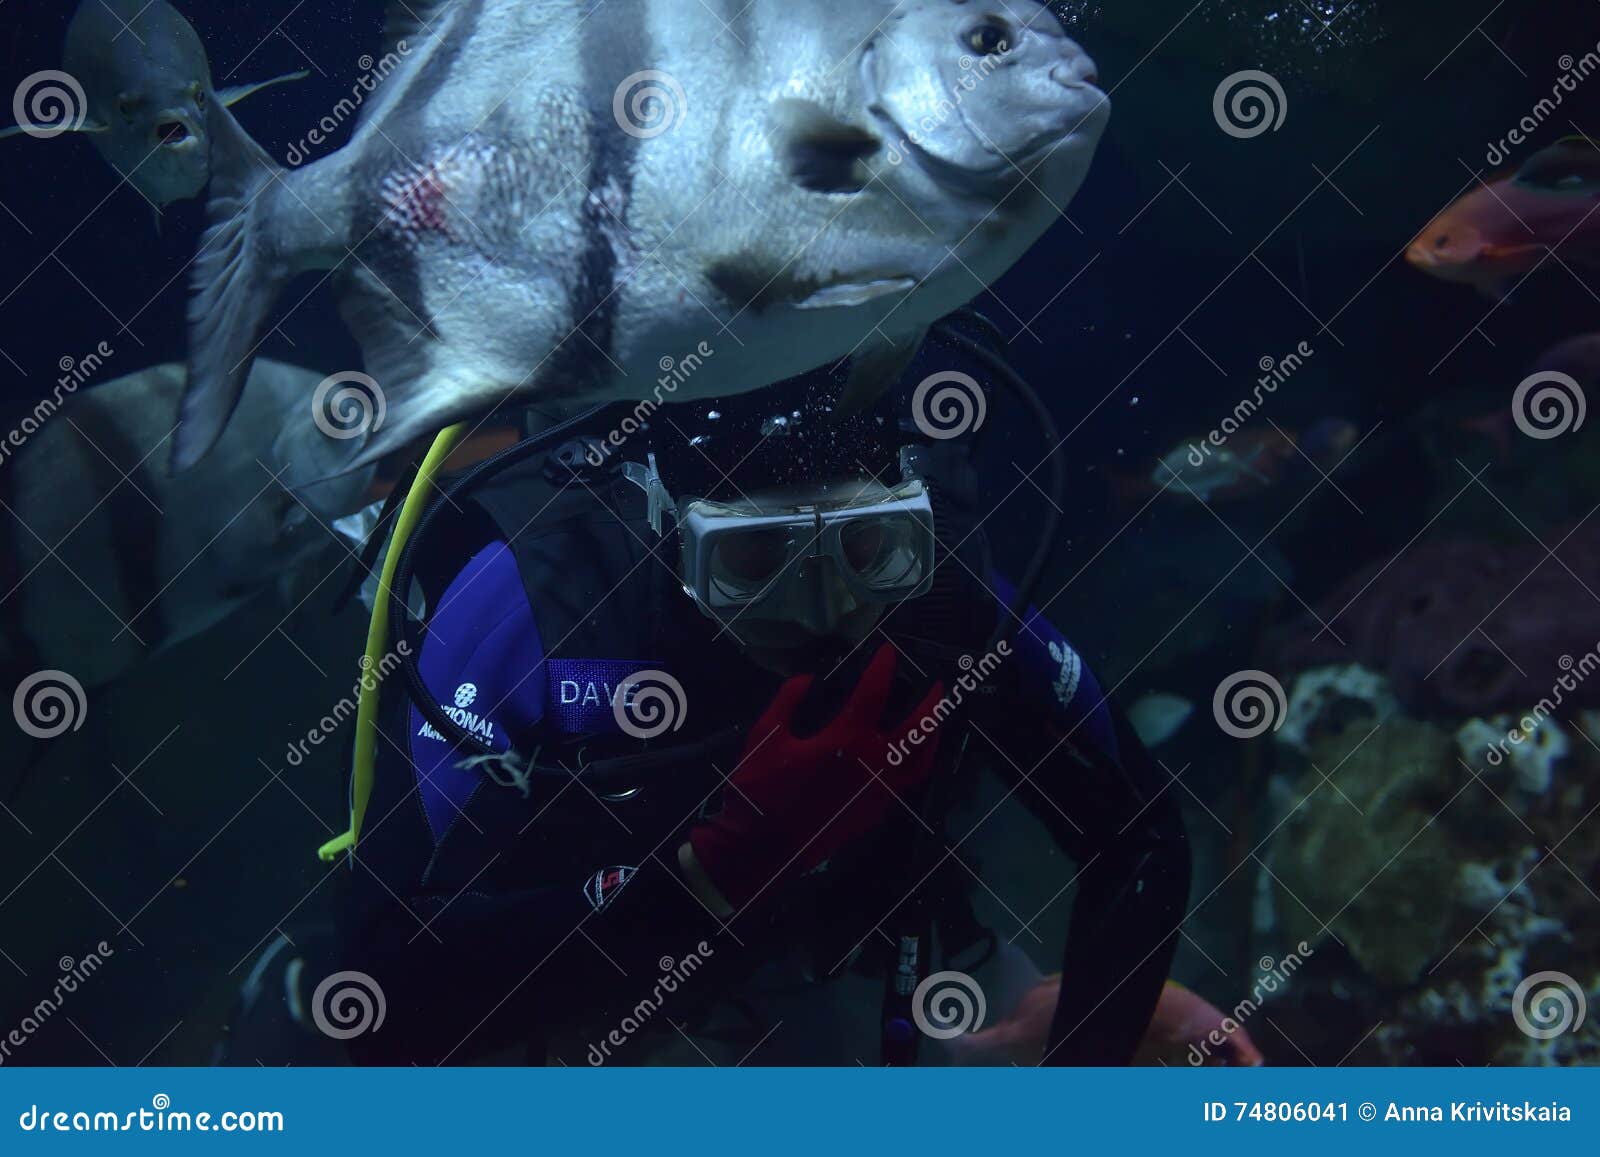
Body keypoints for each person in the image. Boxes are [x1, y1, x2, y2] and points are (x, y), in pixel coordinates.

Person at [316, 332, 1194, 1067]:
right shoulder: (538, 596)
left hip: (837, 962)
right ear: (665, 520)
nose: (824, 614)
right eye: (748, 563)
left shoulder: (943, 597)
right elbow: (383, 999)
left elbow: (1140, 833)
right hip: (576, 1020)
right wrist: (708, 876)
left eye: (870, 551)